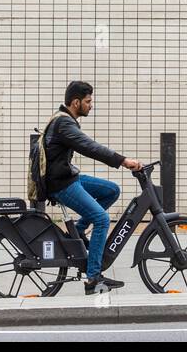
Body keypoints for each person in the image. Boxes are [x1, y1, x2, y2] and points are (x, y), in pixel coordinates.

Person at [42, 81, 142, 294]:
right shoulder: (64, 124)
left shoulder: (66, 121)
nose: (91, 105)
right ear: (76, 102)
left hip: (68, 176)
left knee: (111, 190)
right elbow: (90, 147)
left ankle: (77, 232)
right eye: (88, 101)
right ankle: (93, 277)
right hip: (61, 184)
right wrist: (123, 161)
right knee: (101, 219)